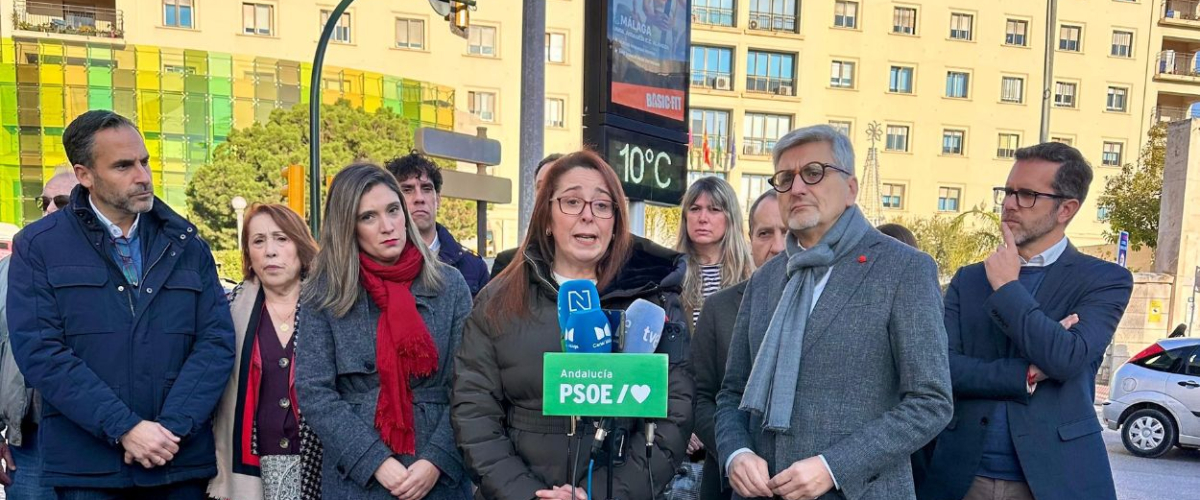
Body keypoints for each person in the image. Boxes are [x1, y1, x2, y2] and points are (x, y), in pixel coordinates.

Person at [715, 124, 953, 500]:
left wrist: (834, 466)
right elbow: (731, 393)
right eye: (785, 178)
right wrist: (737, 453)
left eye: (813, 173)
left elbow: (931, 402)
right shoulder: (766, 279)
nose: (797, 188)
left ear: (851, 189)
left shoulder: (903, 269)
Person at [8, 110, 236, 498]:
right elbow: (42, 352)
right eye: (123, 166)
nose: (143, 176)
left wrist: (170, 430)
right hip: (87, 472)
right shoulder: (39, 246)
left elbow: (215, 342)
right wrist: (125, 428)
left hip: (177, 466)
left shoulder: (186, 243)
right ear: (85, 175)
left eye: (144, 161)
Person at [452, 150, 692, 500]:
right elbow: (473, 413)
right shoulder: (497, 301)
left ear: (615, 222)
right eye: (572, 202)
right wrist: (527, 494)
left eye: (601, 205)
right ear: (546, 218)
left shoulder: (655, 302)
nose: (587, 216)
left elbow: (675, 414)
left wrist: (601, 494)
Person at [917, 143, 1133, 500]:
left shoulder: (1104, 279)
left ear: (1066, 208)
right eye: (1009, 191)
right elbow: (943, 367)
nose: (1010, 203)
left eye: (1028, 194)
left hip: (1055, 478)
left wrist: (1007, 287)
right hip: (961, 475)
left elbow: (1065, 359)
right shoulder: (969, 279)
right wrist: (1026, 375)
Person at [295, 164, 473, 500]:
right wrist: (374, 460)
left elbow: (470, 386)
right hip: (359, 479)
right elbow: (314, 391)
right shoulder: (325, 293)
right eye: (369, 217)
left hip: (438, 477)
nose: (388, 226)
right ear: (348, 226)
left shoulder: (450, 285)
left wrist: (437, 460)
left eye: (393, 210)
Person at [209, 204, 320, 500]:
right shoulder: (225, 312)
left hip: (322, 468)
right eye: (258, 241)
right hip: (250, 472)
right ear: (248, 253)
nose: (270, 250)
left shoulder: (332, 308)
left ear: (300, 244)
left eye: (281, 238)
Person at [691, 189, 786, 500]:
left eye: (788, 232)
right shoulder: (719, 308)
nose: (778, 246)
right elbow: (700, 396)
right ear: (750, 239)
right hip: (728, 484)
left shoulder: (831, 306)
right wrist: (736, 453)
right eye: (765, 233)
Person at [0, 171, 78, 500]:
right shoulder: (8, 271)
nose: (48, 210)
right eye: (43, 202)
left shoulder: (119, 268)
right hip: (28, 444)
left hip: (99, 443)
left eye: (61, 202)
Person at [385, 153, 490, 296]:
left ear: (438, 199)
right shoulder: (379, 262)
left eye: (427, 189)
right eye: (407, 190)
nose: (419, 198)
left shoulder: (473, 267)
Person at [676, 176, 755, 329]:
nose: (702, 218)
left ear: (730, 218)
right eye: (695, 209)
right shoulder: (672, 274)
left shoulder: (751, 273)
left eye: (714, 209)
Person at [490, 153, 564, 279]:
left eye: (555, 185)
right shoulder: (508, 263)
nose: (547, 194)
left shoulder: (602, 267)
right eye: (541, 187)